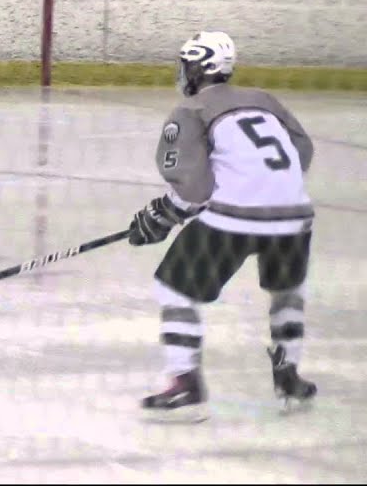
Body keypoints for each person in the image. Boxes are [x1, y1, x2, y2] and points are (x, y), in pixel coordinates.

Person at [129, 31, 317, 422]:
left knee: (174, 288)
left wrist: (162, 215)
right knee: (287, 291)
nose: (181, 72)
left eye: (185, 63)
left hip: (235, 218)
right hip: (295, 215)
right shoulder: (265, 100)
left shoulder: (191, 110)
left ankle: (186, 387)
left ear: (198, 68)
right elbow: (302, 151)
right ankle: (288, 377)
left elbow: (194, 188)